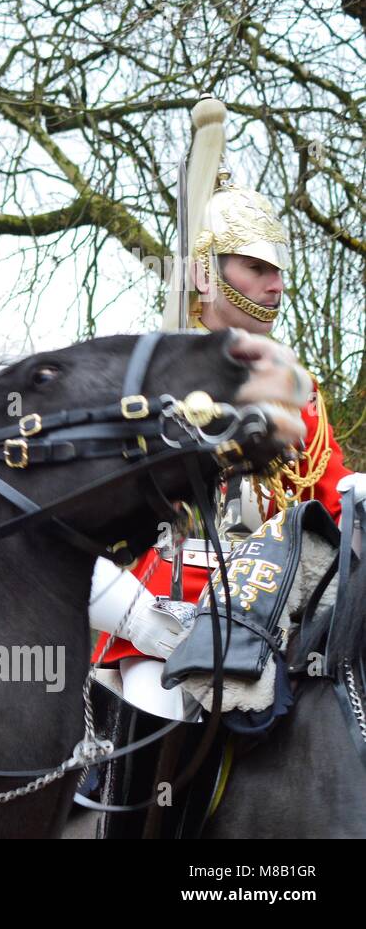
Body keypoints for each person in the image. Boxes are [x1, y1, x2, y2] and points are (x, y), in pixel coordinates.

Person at [89, 166, 363, 719]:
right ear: (206, 275)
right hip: (165, 610)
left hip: (280, 609)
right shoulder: (138, 384)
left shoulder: (296, 392)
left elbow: (333, 499)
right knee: (155, 727)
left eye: (279, 272)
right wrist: (135, 615)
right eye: (258, 268)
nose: (277, 285)